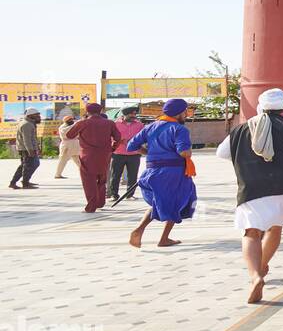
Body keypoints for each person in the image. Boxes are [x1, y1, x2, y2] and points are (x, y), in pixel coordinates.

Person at [217, 88, 283, 303]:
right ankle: (263, 265)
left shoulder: (240, 130)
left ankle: (255, 275)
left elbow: (222, 153)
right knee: (275, 228)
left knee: (251, 232)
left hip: (250, 187)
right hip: (281, 185)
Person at [126, 98, 198, 248]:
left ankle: (142, 231)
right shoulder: (179, 129)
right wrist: (189, 151)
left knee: (158, 202)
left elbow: (131, 146)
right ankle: (161, 238)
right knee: (175, 203)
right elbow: (184, 152)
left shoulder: (150, 127)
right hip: (172, 174)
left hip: (151, 172)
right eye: (185, 111)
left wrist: (149, 152)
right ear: (179, 112)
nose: (186, 114)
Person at [65, 103, 121, 212]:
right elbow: (118, 138)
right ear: (101, 111)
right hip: (105, 154)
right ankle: (100, 202)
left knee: (89, 180)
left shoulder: (83, 123)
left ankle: (91, 206)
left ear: (87, 111)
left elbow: (69, 135)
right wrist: (112, 149)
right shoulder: (109, 123)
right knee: (102, 178)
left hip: (87, 155)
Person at [109, 106, 145, 202]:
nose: (134, 116)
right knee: (115, 175)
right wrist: (119, 141)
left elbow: (143, 137)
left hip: (134, 153)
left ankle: (130, 195)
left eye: (134, 114)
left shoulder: (139, 125)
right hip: (118, 153)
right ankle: (114, 195)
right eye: (131, 114)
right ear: (125, 114)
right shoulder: (115, 124)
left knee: (133, 175)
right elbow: (110, 136)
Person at [8, 108, 43, 189]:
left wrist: (37, 148)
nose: (39, 117)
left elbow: (33, 138)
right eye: (37, 115)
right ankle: (25, 183)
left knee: (29, 165)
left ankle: (17, 182)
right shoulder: (26, 124)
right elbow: (26, 139)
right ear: (30, 116)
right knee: (28, 166)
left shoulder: (30, 123)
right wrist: (30, 150)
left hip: (28, 148)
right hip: (26, 149)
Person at [54, 114, 80, 178]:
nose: (71, 120)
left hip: (75, 145)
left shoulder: (74, 125)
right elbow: (66, 131)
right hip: (67, 145)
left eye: (72, 119)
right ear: (66, 121)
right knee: (63, 160)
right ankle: (58, 175)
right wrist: (75, 124)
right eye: (69, 119)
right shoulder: (62, 127)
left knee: (79, 161)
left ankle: (84, 173)